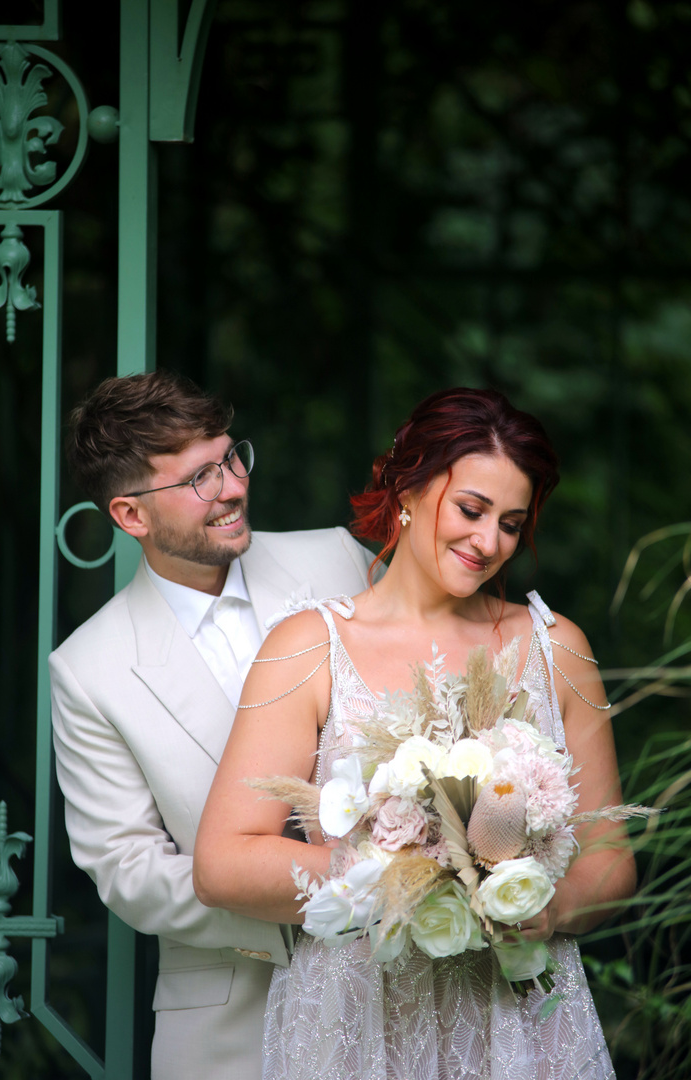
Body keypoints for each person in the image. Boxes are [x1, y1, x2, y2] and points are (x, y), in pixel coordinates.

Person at [193, 387, 635, 1080]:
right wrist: (404, 878)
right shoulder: (308, 646)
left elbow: (611, 858)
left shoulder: (558, 649)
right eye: (471, 510)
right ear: (408, 489)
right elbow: (222, 862)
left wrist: (549, 909)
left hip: (517, 1019)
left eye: (512, 524)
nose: (489, 542)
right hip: (359, 1014)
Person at [49, 370, 379, 1080]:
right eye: (199, 478)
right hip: (234, 1016)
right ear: (131, 516)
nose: (231, 488)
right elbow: (128, 867)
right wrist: (319, 896)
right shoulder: (88, 669)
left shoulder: (337, 559)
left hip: (408, 983)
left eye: (231, 458)